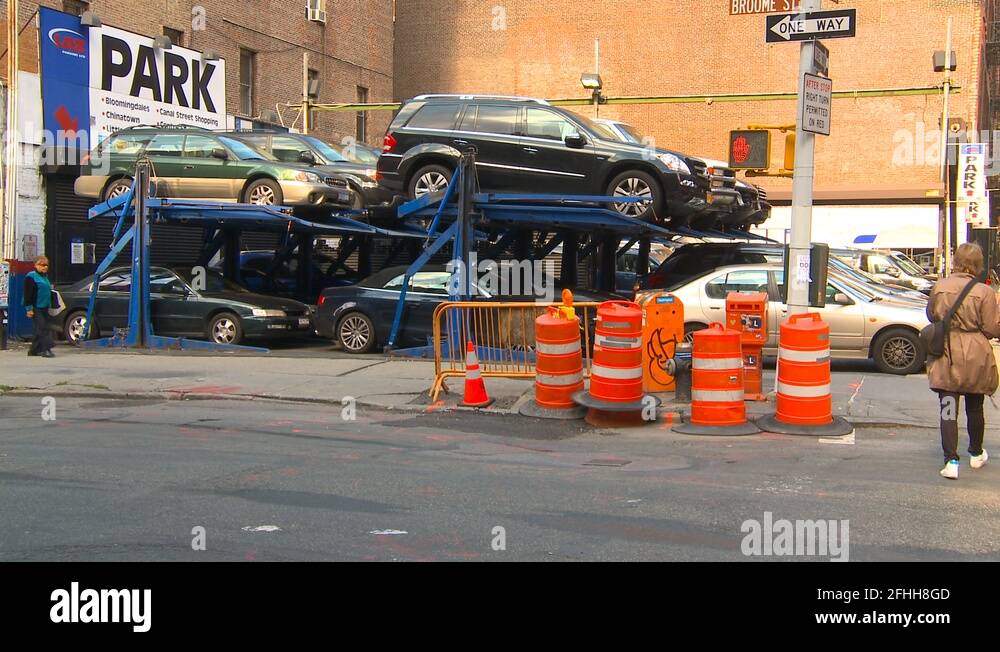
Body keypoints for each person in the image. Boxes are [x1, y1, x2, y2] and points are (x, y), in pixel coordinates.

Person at [926, 242, 1000, 479]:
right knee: (975, 405)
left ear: (956, 261)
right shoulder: (985, 292)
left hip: (946, 350)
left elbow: (931, 314)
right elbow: (992, 326)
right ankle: (976, 453)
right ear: (978, 264)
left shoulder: (940, 286)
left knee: (948, 407)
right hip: (976, 351)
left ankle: (951, 461)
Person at [23, 255, 56, 358]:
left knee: (39, 329)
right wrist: (29, 309)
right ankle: (46, 349)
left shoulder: (45, 277)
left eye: (46, 265)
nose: (44, 267)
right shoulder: (31, 276)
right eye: (42, 265)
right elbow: (27, 294)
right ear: (35, 265)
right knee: (43, 328)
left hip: (44, 307)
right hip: (35, 307)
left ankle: (33, 350)